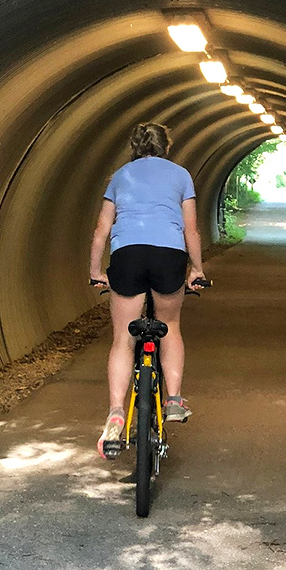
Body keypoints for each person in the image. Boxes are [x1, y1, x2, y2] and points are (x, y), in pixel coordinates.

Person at [89, 122, 206, 460]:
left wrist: (96, 272)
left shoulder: (120, 176)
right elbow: (191, 230)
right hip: (169, 254)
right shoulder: (180, 175)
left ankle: (115, 413)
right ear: (166, 146)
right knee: (170, 328)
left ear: (134, 146)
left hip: (127, 254)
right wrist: (196, 269)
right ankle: (172, 400)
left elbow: (101, 230)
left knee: (123, 338)